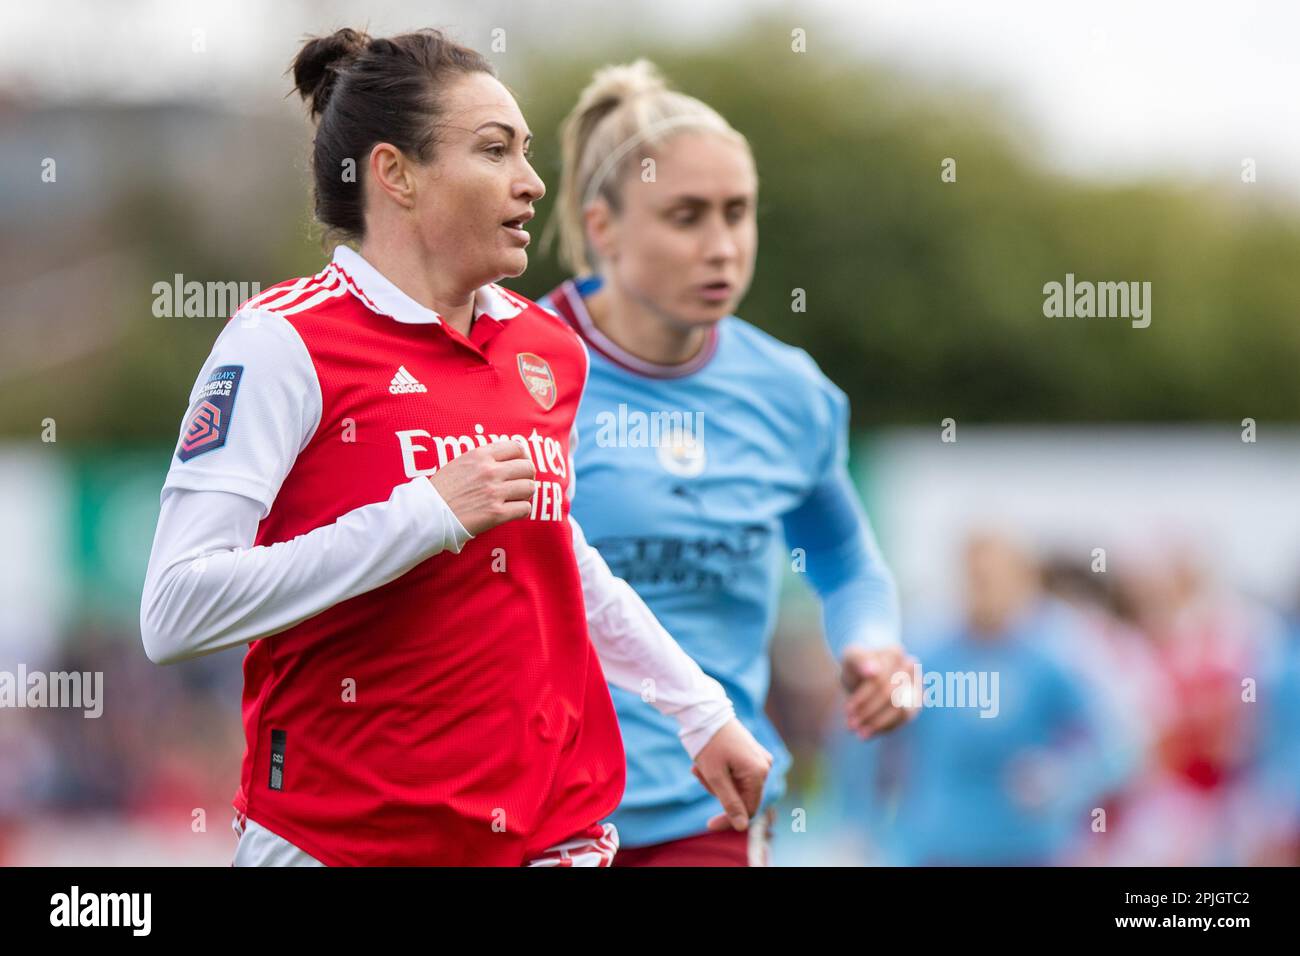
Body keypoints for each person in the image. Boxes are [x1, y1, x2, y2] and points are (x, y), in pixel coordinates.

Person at [138, 28, 771, 867]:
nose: (531, 181)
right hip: (337, 840)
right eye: (494, 151)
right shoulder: (280, 344)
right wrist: (425, 514)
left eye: (528, 151)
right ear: (395, 174)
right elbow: (176, 610)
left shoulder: (549, 351)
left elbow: (559, 555)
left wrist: (698, 708)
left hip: (549, 834)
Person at [537, 60, 914, 866]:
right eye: (686, 216)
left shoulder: (787, 394)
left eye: (737, 213)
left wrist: (871, 647)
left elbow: (846, 560)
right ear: (603, 228)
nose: (722, 246)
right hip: (533, 816)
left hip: (706, 818)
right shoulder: (513, 367)